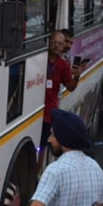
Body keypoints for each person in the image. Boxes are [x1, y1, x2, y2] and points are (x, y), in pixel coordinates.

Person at [29, 110, 103, 206]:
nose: (49, 139)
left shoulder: (54, 171)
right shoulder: (97, 169)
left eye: (52, 135)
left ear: (63, 139)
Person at [39, 31, 80, 171]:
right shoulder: (39, 58)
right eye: (54, 42)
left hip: (49, 112)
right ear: (49, 41)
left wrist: (77, 77)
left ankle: (38, 172)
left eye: (60, 43)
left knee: (42, 146)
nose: (57, 46)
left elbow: (70, 87)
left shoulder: (62, 64)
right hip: (34, 109)